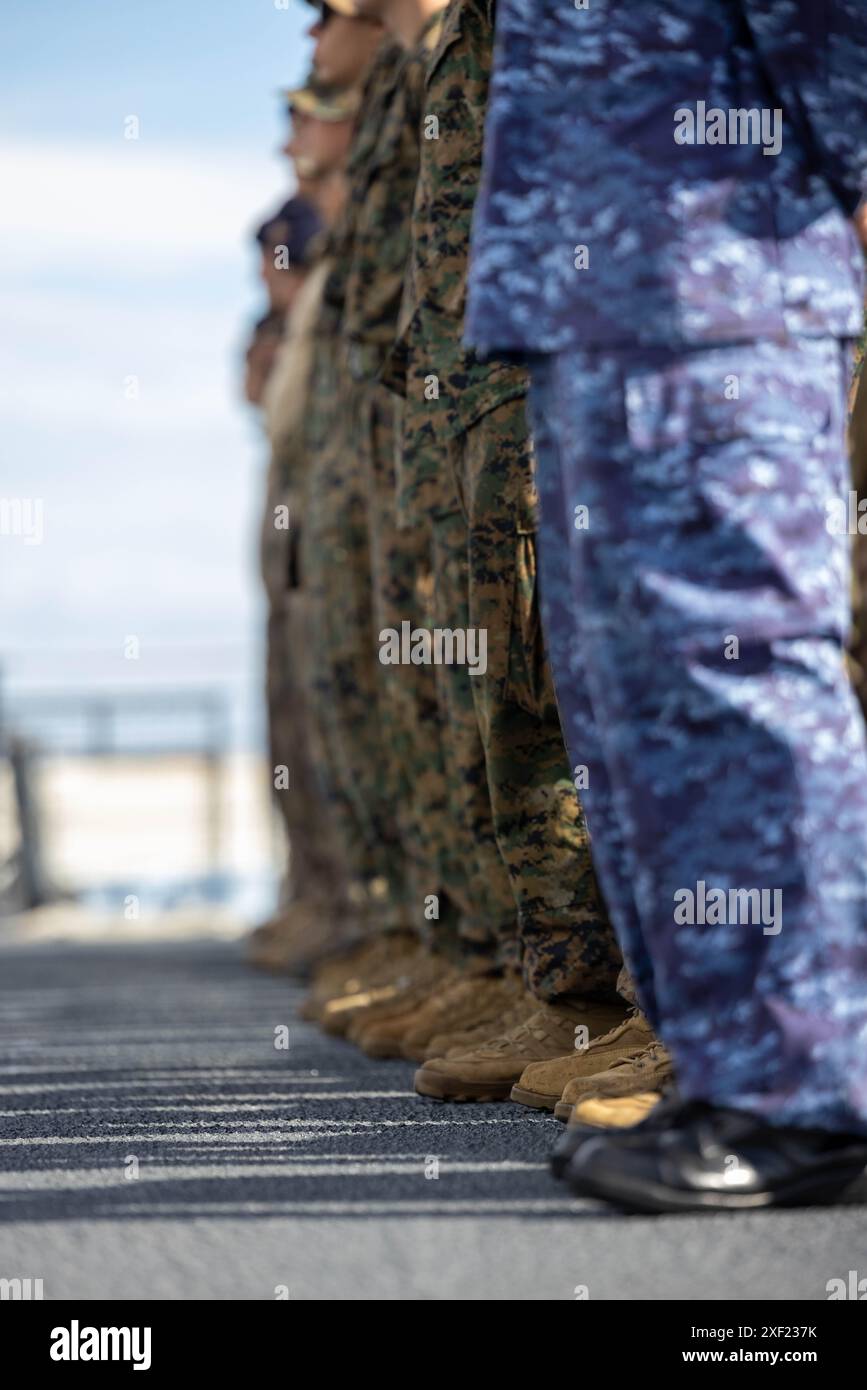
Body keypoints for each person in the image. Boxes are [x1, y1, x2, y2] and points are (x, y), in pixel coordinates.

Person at [466, 0, 867, 1210]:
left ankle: (805, 1093)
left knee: (729, 662)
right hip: (601, 282)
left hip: (716, 262)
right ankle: (730, 1068)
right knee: (627, 694)